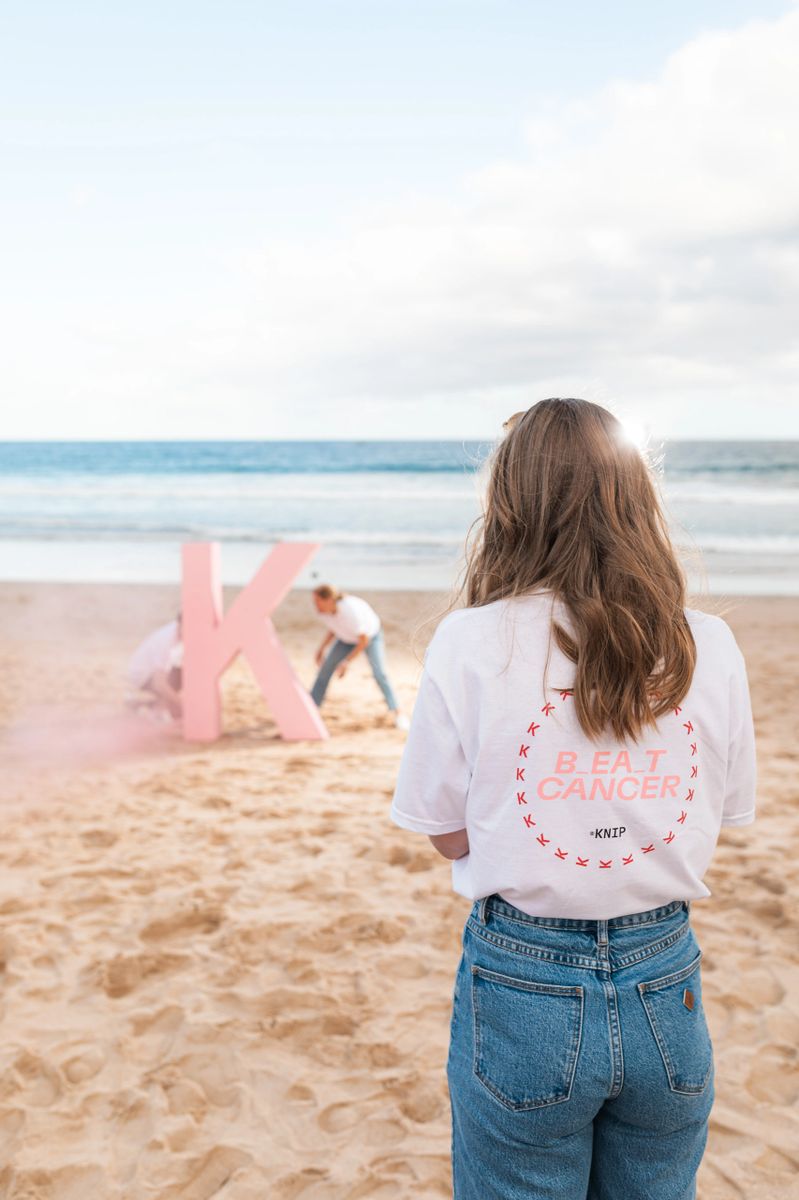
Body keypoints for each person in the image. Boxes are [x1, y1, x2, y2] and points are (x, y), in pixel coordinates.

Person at [389, 399, 756, 1200]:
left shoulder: (472, 640)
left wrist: (530, 828)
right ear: (636, 497)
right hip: (664, 974)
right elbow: (718, 811)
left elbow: (441, 828)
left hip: (523, 973)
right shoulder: (706, 643)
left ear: (510, 504)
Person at [310, 584, 409, 729]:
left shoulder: (350, 611)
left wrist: (346, 662)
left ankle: (398, 713)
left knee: (380, 674)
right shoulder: (324, 612)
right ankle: (311, 709)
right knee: (324, 671)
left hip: (371, 636)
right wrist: (321, 649)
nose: (315, 605)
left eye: (317, 601)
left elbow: (363, 641)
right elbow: (334, 628)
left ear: (329, 599)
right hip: (346, 638)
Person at [126, 613, 183, 720]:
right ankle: (157, 710)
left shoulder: (179, 630)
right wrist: (183, 705)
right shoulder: (166, 640)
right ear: (180, 624)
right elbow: (159, 684)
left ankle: (142, 705)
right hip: (143, 675)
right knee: (181, 677)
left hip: (155, 672)